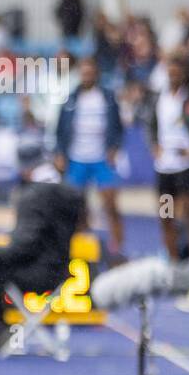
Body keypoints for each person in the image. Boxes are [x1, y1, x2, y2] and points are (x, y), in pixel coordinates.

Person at [0, 144, 84, 355]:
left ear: (25, 169)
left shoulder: (33, 196)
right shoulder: (71, 194)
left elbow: (21, 249)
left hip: (35, 273)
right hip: (60, 271)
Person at [145, 51, 189, 263]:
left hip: (187, 168)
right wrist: (154, 145)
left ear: (185, 74)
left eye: (177, 73)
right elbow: (149, 124)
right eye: (170, 73)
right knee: (166, 216)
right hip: (165, 169)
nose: (173, 77)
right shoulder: (159, 97)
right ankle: (173, 261)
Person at [54, 57, 125, 260]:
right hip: (76, 159)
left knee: (111, 204)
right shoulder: (71, 99)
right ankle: (79, 248)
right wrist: (60, 153)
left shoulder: (108, 97)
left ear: (96, 73)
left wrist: (114, 148)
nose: (87, 76)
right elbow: (60, 130)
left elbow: (118, 128)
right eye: (83, 72)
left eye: (90, 72)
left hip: (101, 159)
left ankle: (117, 249)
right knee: (75, 208)